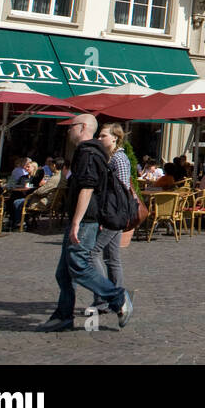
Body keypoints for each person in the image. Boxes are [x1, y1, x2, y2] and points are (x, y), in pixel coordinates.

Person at [37, 114, 132, 331]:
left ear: (81, 128)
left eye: (71, 126)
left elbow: (88, 188)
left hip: (85, 220)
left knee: (79, 265)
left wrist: (77, 222)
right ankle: (63, 315)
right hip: (83, 219)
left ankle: (117, 297)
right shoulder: (93, 152)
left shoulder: (88, 153)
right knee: (64, 272)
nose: (68, 131)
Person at [90, 123, 132, 307]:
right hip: (113, 214)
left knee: (92, 253)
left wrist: (109, 216)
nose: (99, 139)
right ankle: (117, 298)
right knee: (112, 258)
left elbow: (122, 190)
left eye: (103, 136)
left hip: (114, 214)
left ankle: (103, 297)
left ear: (115, 138)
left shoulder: (119, 159)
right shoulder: (110, 158)